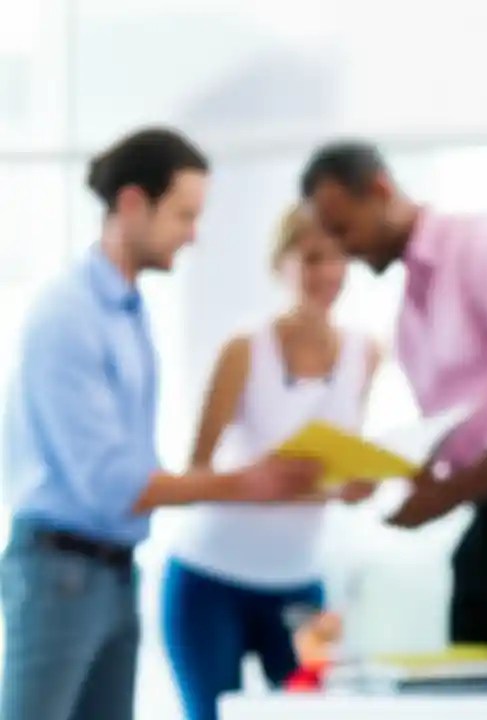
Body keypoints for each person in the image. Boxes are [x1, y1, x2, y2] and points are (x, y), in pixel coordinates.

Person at [0, 128, 324, 720]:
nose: (193, 235)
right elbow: (113, 484)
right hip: (60, 576)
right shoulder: (68, 316)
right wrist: (244, 483)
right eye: (183, 215)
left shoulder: (127, 313)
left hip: (113, 574)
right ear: (131, 204)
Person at [300, 141, 487, 673]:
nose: (345, 253)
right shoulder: (411, 310)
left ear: (382, 192)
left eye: (344, 231)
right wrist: (403, 477)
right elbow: (457, 427)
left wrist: (447, 492)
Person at [161, 203, 381, 720]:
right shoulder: (244, 349)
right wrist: (259, 481)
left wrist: (351, 487)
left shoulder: (367, 352)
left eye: (338, 259)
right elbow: (195, 474)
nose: (327, 273)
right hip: (211, 578)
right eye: (311, 259)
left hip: (300, 583)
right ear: (280, 263)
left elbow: (338, 466)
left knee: (310, 712)